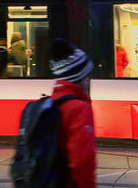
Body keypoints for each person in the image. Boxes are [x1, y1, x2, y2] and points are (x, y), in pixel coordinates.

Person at [50, 40, 96, 188]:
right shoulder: (78, 108)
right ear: (80, 77)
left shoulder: (51, 102)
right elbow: (82, 161)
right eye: (87, 75)